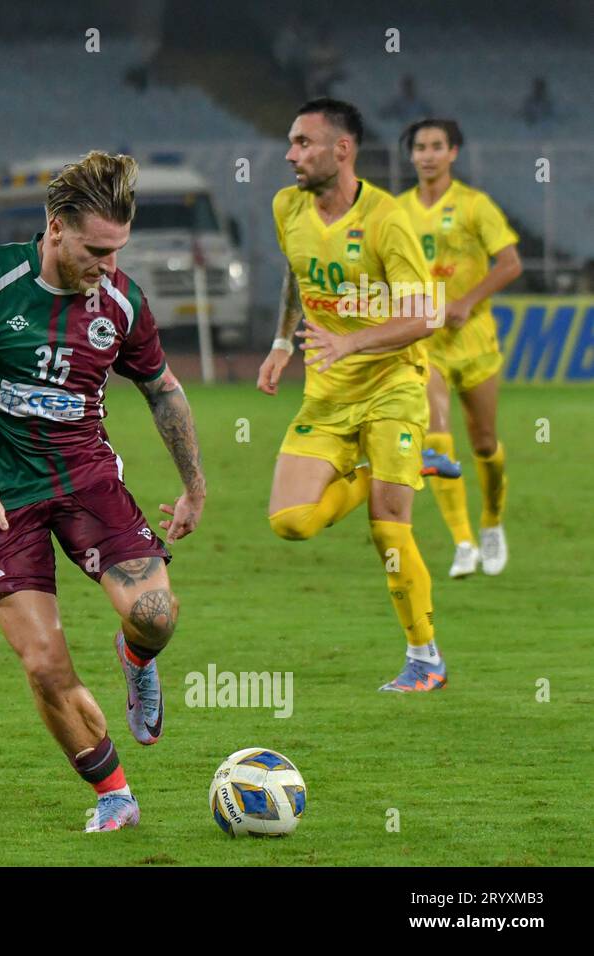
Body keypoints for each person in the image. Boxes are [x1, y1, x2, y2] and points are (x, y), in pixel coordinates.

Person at [0, 151, 206, 832]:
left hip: (88, 482)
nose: (108, 265)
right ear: (54, 229)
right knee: (44, 664)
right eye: (96, 250)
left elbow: (162, 390)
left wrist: (194, 487)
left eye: (117, 252)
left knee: (156, 614)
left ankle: (135, 658)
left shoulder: (123, 301)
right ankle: (114, 793)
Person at [256, 99, 447, 693]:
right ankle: (396, 469)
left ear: (342, 149)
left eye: (303, 143)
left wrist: (355, 342)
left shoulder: (387, 220)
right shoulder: (286, 206)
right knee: (290, 522)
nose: (291, 154)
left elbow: (427, 316)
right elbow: (297, 272)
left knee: (389, 524)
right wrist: (284, 342)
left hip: (393, 384)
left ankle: (425, 660)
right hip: (327, 394)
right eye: (291, 142)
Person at [397, 119, 521, 576]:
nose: (427, 155)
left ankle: (491, 523)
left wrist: (468, 301)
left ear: (453, 153)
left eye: (436, 146)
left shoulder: (475, 205)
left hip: (475, 340)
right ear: (410, 156)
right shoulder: (397, 211)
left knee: (485, 443)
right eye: (420, 147)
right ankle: (463, 542)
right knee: (437, 436)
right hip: (426, 342)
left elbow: (510, 263)